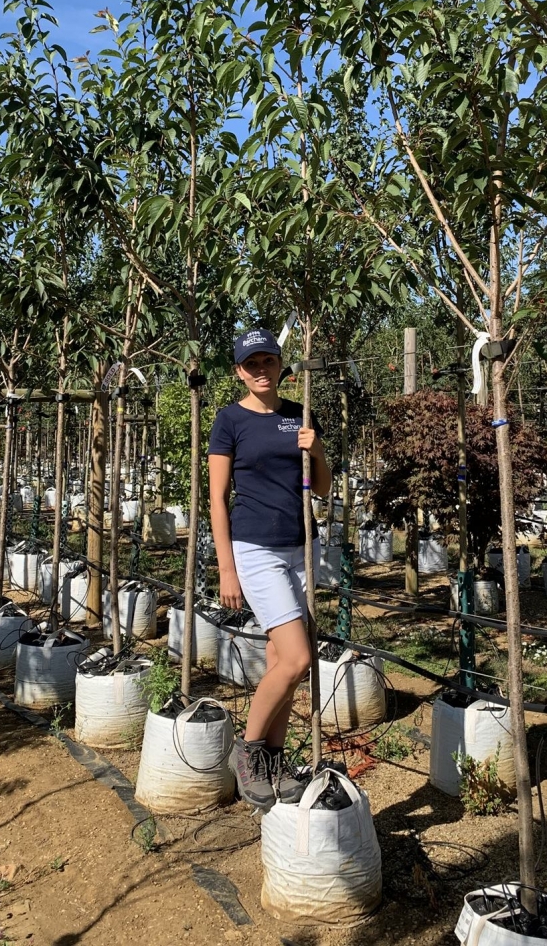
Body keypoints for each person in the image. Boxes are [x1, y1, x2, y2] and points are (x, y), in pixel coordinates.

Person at [208, 328, 332, 810]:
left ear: (282, 366)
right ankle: (248, 753)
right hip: (255, 549)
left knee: (284, 662)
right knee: (300, 658)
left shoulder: (299, 414)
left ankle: (273, 764)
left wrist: (317, 451)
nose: (261, 370)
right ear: (239, 371)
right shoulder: (229, 420)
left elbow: (321, 488)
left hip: (302, 547)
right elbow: (217, 499)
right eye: (252, 363)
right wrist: (227, 568)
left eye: (269, 361)